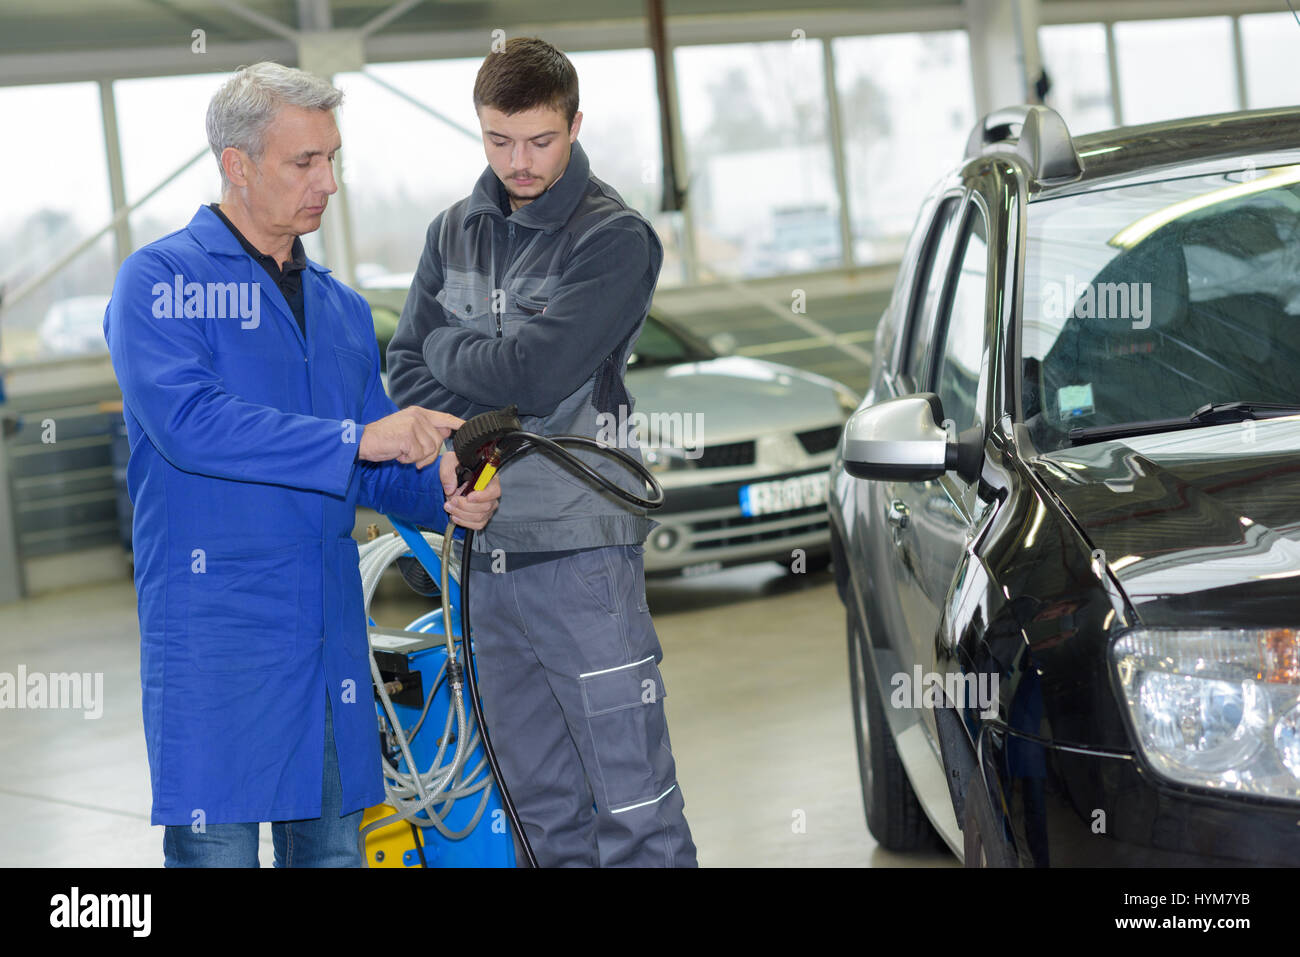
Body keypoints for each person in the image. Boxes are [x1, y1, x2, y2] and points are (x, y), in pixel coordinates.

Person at [103, 62, 501, 867]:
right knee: (217, 855)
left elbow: (373, 465)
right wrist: (361, 438)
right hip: (221, 637)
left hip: (326, 640)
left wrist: (443, 488)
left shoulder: (342, 308)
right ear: (236, 165)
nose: (329, 182)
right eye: (304, 162)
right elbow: (193, 424)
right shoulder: (162, 283)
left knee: (332, 856)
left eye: (333, 158)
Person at [387, 37, 697, 867]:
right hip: (484, 560)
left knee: (635, 811)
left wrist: (452, 353)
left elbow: (541, 367)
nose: (519, 162)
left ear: (574, 123)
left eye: (540, 140)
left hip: (581, 558)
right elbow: (401, 366)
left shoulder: (611, 237)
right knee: (540, 816)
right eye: (499, 140)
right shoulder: (451, 231)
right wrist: (469, 373)